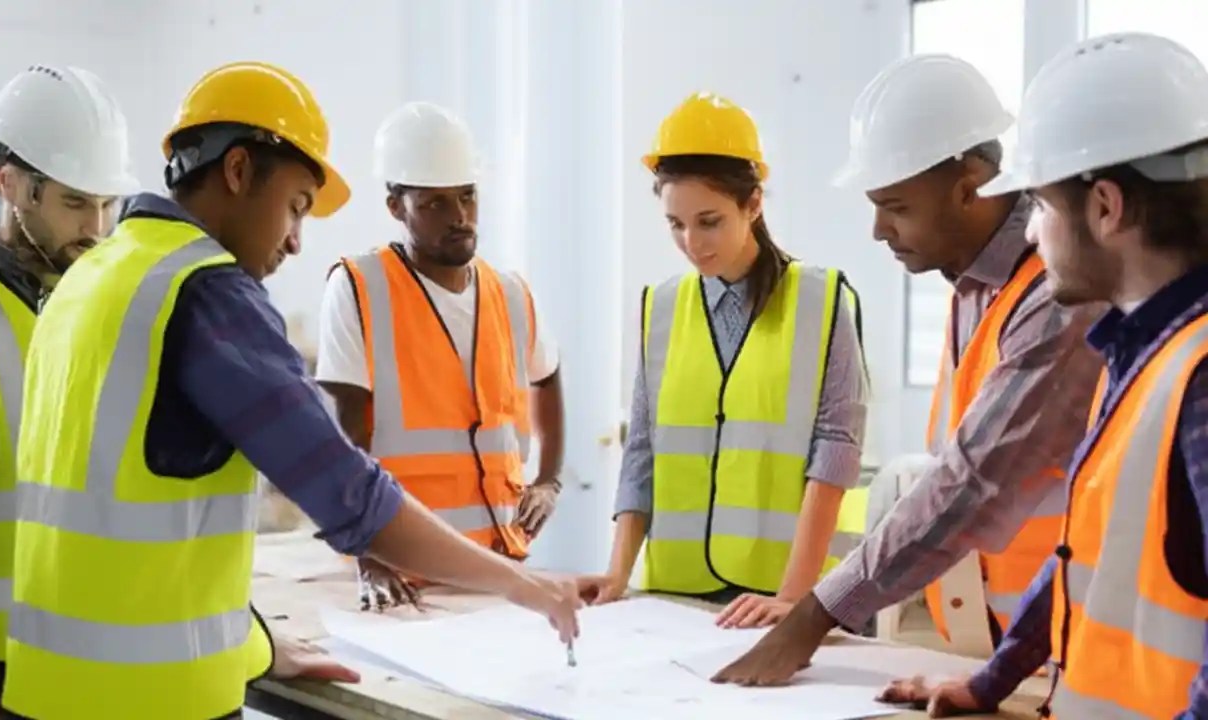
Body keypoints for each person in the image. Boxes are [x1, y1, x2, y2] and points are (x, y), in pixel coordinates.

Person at [0, 61, 603, 720]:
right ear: (236, 172)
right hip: (152, 700)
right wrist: (523, 586)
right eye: (294, 207)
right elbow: (347, 493)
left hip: (45, 689)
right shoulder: (207, 293)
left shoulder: (92, 277)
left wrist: (252, 645)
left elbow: (124, 520)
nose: (293, 241)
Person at [712, 55, 1105, 684]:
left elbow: (970, 481)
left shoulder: (1056, 301)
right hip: (1015, 652)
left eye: (895, 206)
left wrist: (812, 619)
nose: (877, 229)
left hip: (1081, 657)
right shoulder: (973, 286)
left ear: (970, 186)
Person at [880, 32, 1208, 719]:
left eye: (1044, 208)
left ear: (1107, 208)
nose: (1031, 234)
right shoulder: (1141, 355)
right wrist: (989, 682)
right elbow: (1084, 563)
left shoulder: (1198, 377)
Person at [591, 91, 870, 621]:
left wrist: (793, 599)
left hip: (784, 595)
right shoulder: (662, 307)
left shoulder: (822, 301)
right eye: (676, 223)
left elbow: (835, 455)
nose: (692, 242)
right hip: (673, 594)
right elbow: (642, 455)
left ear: (754, 203)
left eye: (709, 221)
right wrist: (616, 575)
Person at [0, 64, 137, 720]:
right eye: (75, 202)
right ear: (10, 184)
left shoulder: (107, 311)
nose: (98, 227)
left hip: (98, 659)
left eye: (109, 205)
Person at [316, 101, 564, 608]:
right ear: (395, 206)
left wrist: (549, 480)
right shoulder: (359, 287)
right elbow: (342, 436)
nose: (460, 218)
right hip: (405, 575)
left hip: (499, 565)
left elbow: (549, 378)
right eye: (434, 204)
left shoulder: (511, 293)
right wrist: (370, 553)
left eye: (467, 197)